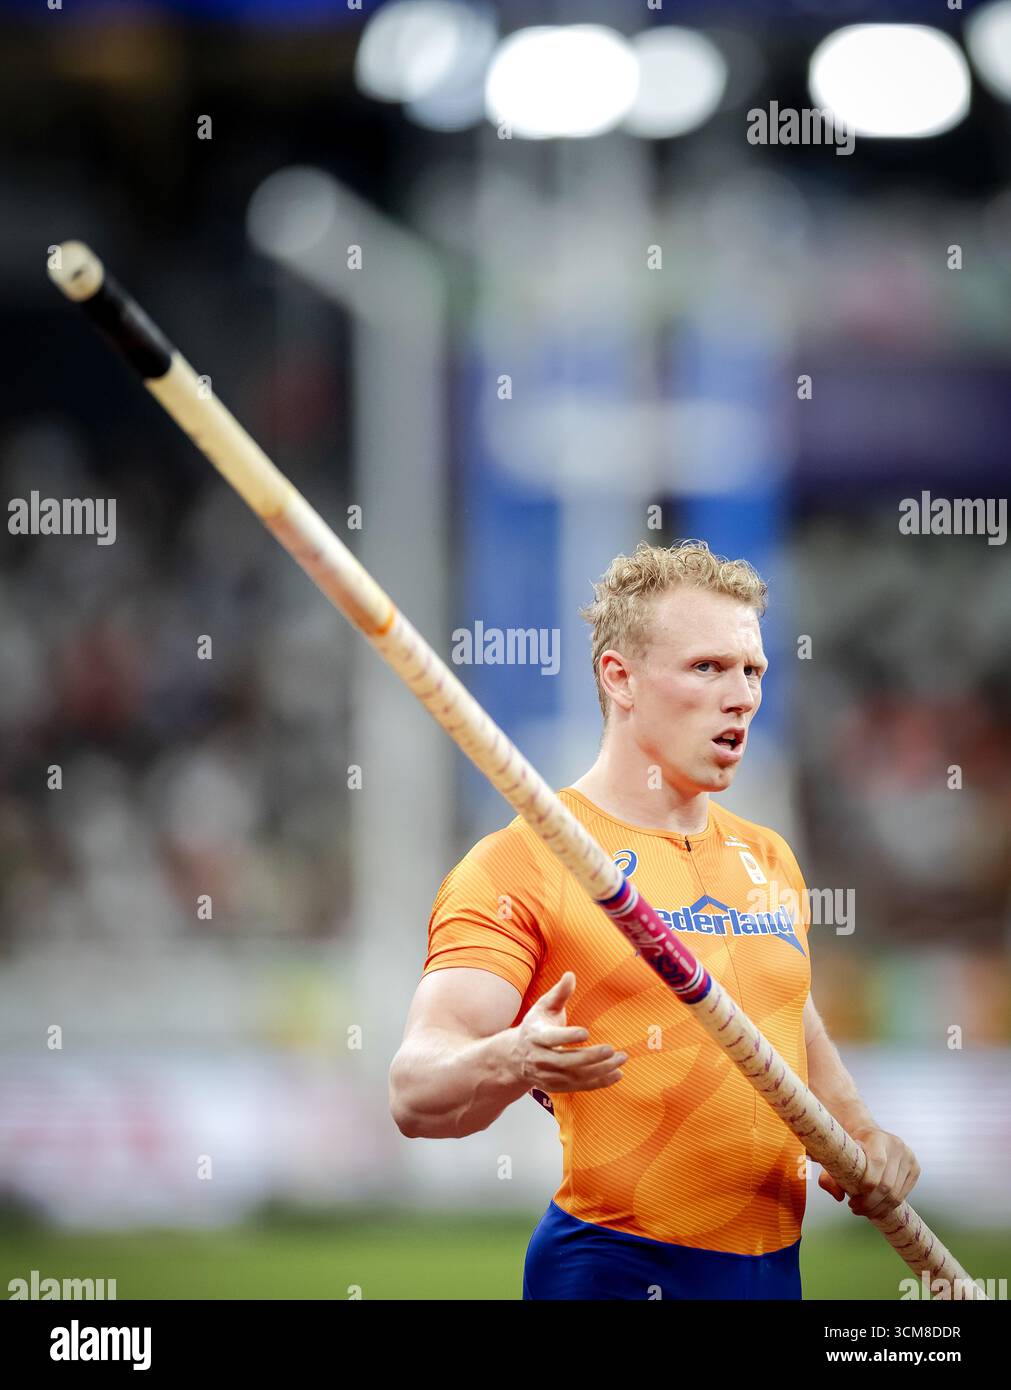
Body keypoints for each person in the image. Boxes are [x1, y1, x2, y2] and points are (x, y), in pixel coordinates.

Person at [389, 540, 920, 1300]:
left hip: (773, 1275)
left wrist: (859, 1134)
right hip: (616, 1267)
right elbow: (413, 1091)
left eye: (751, 671)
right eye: (707, 667)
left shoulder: (766, 857)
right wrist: (513, 1057)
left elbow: (783, 1023)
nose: (739, 696)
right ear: (620, 677)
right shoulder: (523, 861)